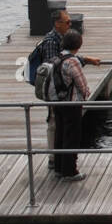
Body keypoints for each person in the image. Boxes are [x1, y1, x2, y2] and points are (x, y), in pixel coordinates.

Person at [33, 9, 102, 170]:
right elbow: (59, 65)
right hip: (60, 96)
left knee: (60, 129)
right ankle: (59, 163)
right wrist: (84, 94)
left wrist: (85, 59)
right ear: (57, 23)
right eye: (68, 22)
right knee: (58, 128)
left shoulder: (61, 41)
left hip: (58, 96)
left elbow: (62, 59)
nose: (70, 25)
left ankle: (58, 163)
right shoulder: (51, 41)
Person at [53, 30, 91, 180]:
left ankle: (58, 167)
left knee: (60, 134)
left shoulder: (57, 58)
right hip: (72, 103)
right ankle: (69, 171)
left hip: (57, 101)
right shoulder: (72, 61)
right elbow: (81, 84)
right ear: (78, 44)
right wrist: (86, 93)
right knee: (72, 137)